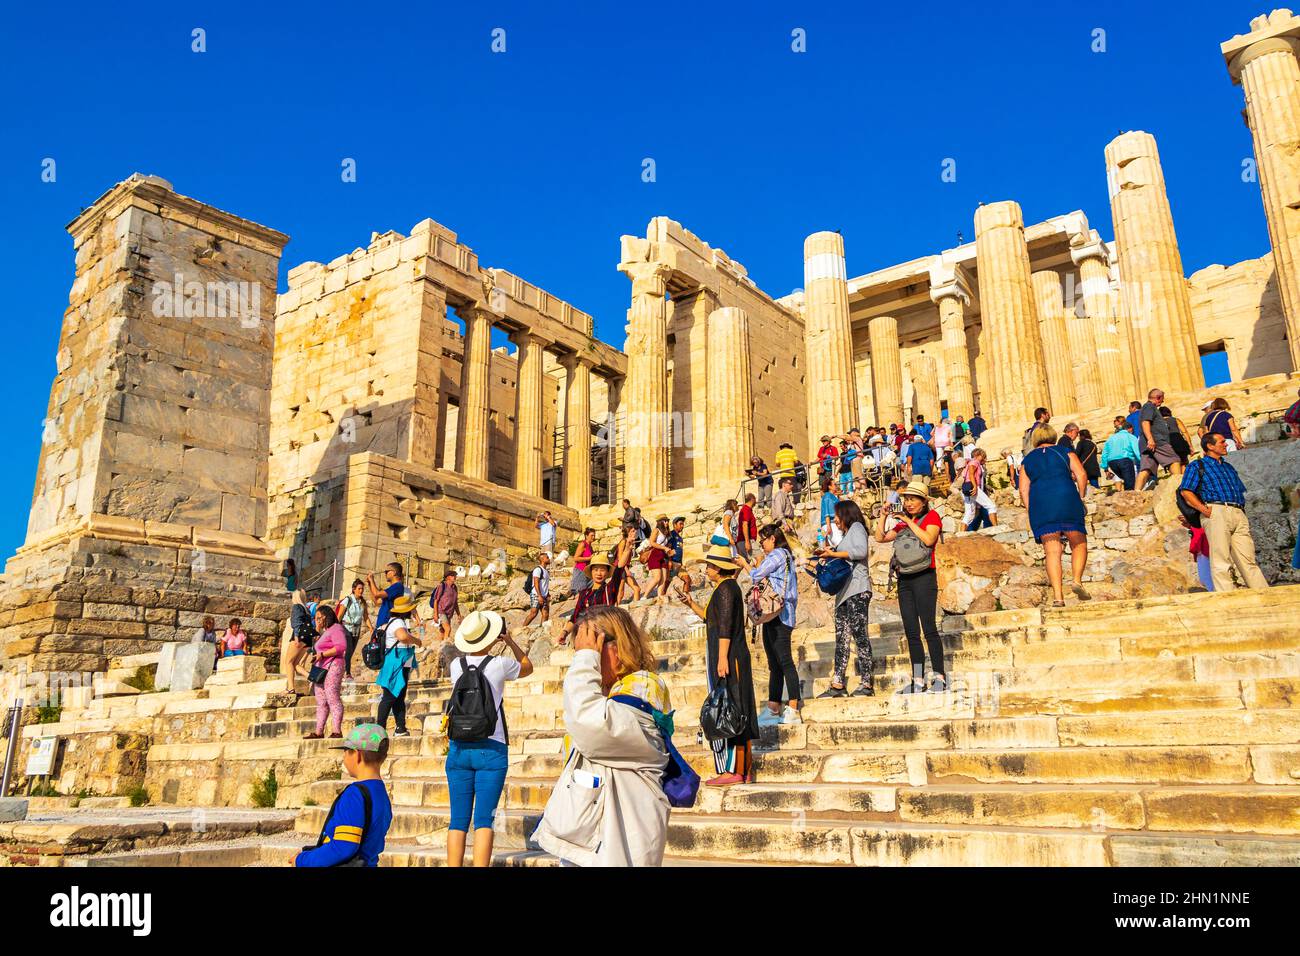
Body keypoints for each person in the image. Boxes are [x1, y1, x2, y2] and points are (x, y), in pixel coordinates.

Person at [533, 606, 670, 866]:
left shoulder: (643, 686)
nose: (587, 660)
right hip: (595, 840)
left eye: (592, 651)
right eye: (581, 653)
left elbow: (591, 724)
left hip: (621, 839)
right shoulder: (610, 695)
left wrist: (585, 662)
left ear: (618, 646)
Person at [445, 610, 531, 866]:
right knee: (484, 819)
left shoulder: (455, 666)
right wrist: (510, 641)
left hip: (459, 747)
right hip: (491, 748)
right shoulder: (500, 664)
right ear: (491, 638)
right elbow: (527, 666)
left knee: (458, 820)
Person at [677, 545, 760, 786]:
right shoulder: (724, 589)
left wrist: (722, 657)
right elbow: (710, 618)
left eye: (710, 565)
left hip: (728, 655)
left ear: (719, 568)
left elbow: (724, 626)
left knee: (729, 707)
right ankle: (742, 770)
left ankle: (732, 770)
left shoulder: (726, 588)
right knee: (735, 706)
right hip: (728, 654)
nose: (707, 569)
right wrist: (690, 603)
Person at [876, 481, 946, 694]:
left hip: (924, 577)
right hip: (904, 580)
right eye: (906, 499)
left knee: (929, 629)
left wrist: (908, 521)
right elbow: (880, 538)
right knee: (912, 632)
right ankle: (917, 678)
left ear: (924, 501)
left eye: (913, 499)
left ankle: (939, 677)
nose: (908, 503)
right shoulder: (903, 523)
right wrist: (883, 516)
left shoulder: (931, 517)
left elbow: (928, 539)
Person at [1178, 433, 1270, 592]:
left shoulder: (1228, 467)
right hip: (1216, 511)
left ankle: (1264, 595)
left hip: (1237, 511)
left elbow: (1239, 490)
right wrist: (1202, 509)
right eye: (1222, 442)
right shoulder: (1197, 466)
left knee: (1248, 559)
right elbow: (1186, 491)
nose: (1226, 444)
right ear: (1210, 446)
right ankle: (1227, 598)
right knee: (1221, 559)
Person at [294, 724, 393, 867]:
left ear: (357, 754)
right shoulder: (380, 792)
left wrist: (301, 860)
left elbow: (343, 847)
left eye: (345, 751)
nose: (344, 757)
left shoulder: (354, 795)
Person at [1020, 424, 1089, 606]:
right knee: (1078, 542)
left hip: (1041, 504)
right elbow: (1081, 474)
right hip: (1066, 497)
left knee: (1052, 551)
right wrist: (1081, 496)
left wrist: (1031, 508)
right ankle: (1076, 580)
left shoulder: (1027, 460)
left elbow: (1023, 489)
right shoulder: (1065, 451)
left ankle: (1058, 597)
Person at [811, 499, 874, 698]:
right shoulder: (847, 534)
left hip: (857, 589)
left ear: (846, 513)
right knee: (842, 639)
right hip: (844, 593)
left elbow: (861, 552)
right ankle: (838, 683)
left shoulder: (857, 527)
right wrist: (828, 554)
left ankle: (867, 682)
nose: (835, 520)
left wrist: (834, 553)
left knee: (859, 635)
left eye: (837, 515)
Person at [750, 523, 801, 725]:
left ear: (772, 538)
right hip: (773, 613)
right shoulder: (783, 555)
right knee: (774, 663)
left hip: (781, 613)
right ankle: (773, 707)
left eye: (763, 540)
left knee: (785, 660)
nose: (761, 544)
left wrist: (747, 565)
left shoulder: (779, 554)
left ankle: (794, 708)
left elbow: (756, 575)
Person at [375, 594, 422, 737]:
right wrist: (416, 640)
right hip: (396, 662)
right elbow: (402, 637)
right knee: (389, 696)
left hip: (399, 661)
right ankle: (379, 730)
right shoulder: (398, 623)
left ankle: (400, 727)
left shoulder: (393, 621)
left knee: (399, 695)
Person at [305, 605, 348, 739]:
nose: (316, 621)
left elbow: (341, 647)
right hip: (321, 668)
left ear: (325, 617)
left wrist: (322, 654)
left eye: (318, 618)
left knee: (332, 698)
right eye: (315, 618)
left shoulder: (336, 628)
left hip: (333, 666)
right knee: (321, 701)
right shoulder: (327, 631)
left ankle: (337, 731)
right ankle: (319, 732)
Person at [560, 552, 622, 645]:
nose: (599, 573)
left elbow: (619, 570)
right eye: (596, 570)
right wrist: (564, 633)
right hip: (586, 636)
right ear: (591, 572)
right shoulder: (584, 593)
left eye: (602, 570)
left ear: (607, 572)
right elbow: (575, 616)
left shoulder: (609, 589)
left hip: (606, 636)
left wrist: (628, 548)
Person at [1136, 389, 1182, 489]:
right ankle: (1180, 487)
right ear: (1158, 397)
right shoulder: (1149, 406)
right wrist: (1150, 439)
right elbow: (1145, 422)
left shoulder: (1147, 407)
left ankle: (1136, 493)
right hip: (1156, 441)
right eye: (1162, 399)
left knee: (1146, 469)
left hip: (1147, 444)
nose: (1163, 401)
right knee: (1174, 460)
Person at [281, 589, 315, 693]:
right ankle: (312, 678)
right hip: (308, 637)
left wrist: (296, 637)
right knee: (295, 663)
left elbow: (296, 623)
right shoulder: (307, 610)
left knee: (289, 661)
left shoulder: (297, 607)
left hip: (300, 635)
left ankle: (290, 688)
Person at [339, 579, 370, 679]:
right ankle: (347, 673)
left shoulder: (362, 603)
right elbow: (339, 616)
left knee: (351, 652)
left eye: (362, 589)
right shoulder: (347, 600)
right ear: (354, 589)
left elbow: (365, 617)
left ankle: (341, 669)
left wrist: (371, 627)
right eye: (359, 589)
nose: (361, 591)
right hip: (346, 628)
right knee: (348, 650)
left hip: (356, 630)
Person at [961, 448, 998, 530]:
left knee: (969, 513)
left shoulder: (970, 462)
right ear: (977, 455)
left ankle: (961, 533)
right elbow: (971, 474)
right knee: (991, 506)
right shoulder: (975, 462)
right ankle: (996, 528)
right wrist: (975, 486)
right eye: (983, 456)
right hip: (973, 487)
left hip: (967, 487)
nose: (985, 458)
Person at [1101, 417, 1140, 490]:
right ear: (1129, 429)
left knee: (1125, 478)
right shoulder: (1130, 436)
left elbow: (1105, 454)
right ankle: (1129, 498)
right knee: (1130, 482)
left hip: (1112, 463)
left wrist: (1105, 468)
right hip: (1124, 460)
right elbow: (1137, 451)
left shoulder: (1111, 438)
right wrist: (1141, 461)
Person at [367, 562, 406, 629]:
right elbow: (377, 602)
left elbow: (377, 594)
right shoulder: (392, 588)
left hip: (387, 624)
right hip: (382, 624)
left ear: (394, 572)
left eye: (386, 572)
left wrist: (372, 580)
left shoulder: (397, 586)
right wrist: (370, 584)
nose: (385, 574)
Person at [643, 516, 673, 602]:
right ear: (660, 522)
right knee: (657, 577)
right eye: (665, 521)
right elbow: (652, 542)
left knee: (663, 578)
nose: (667, 522)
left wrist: (668, 549)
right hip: (655, 554)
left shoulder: (666, 532)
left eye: (667, 520)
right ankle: (645, 596)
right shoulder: (656, 530)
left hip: (663, 555)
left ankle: (660, 595)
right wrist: (664, 548)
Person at [427, 570, 459, 646]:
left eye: (455, 575)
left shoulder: (455, 587)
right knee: (448, 629)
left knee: (442, 631)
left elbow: (455, 602)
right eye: (452, 575)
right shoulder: (442, 586)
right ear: (447, 577)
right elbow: (436, 600)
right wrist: (435, 614)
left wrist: (458, 614)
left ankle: (439, 646)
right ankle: (445, 647)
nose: (454, 577)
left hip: (449, 612)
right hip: (441, 611)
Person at [520, 551, 552, 628]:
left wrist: (547, 594)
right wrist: (539, 596)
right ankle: (522, 628)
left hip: (544, 595)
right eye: (547, 557)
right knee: (534, 613)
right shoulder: (538, 570)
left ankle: (541, 630)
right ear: (542, 559)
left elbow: (544, 585)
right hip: (536, 595)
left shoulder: (546, 571)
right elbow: (536, 583)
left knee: (546, 614)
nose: (549, 559)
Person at [613, 524, 643, 603]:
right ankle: (616, 609)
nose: (635, 532)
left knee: (637, 589)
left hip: (625, 569)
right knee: (620, 592)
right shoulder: (623, 541)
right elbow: (620, 558)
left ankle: (636, 608)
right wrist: (626, 570)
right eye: (633, 531)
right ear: (628, 533)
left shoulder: (631, 542)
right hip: (620, 569)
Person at [570, 527, 597, 593]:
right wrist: (589, 558)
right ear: (586, 536)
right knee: (580, 592)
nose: (593, 537)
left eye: (594, 535)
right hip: (580, 571)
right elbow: (575, 558)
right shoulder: (582, 544)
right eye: (592, 535)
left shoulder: (590, 546)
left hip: (587, 571)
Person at [736, 494, 759, 562]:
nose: (756, 502)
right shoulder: (746, 509)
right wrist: (747, 542)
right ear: (752, 499)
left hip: (744, 540)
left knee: (744, 562)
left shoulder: (746, 509)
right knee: (760, 558)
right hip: (747, 540)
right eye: (755, 499)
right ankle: (757, 573)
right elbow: (744, 525)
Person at [818, 478, 840, 546]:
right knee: (840, 544)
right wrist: (828, 526)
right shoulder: (828, 496)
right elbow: (827, 512)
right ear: (829, 486)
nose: (836, 486)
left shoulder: (832, 496)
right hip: (831, 524)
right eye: (835, 484)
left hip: (832, 524)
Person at [666, 517, 686, 586]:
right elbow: (668, 548)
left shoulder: (680, 538)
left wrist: (681, 563)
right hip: (672, 563)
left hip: (679, 564)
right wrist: (669, 561)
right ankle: (661, 595)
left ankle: (685, 596)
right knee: (667, 582)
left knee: (687, 580)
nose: (682, 526)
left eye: (683, 524)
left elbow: (680, 551)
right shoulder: (671, 535)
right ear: (674, 525)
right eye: (680, 524)